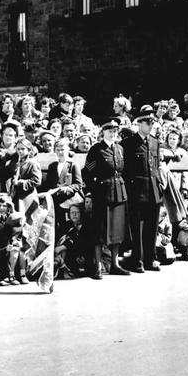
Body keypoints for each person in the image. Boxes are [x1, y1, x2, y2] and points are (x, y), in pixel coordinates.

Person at [83, 118, 131, 278]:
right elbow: (87, 172)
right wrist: (93, 190)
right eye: (110, 131)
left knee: (117, 231)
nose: (113, 133)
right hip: (102, 194)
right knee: (99, 231)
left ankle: (115, 265)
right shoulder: (96, 149)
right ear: (103, 132)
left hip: (119, 192)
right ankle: (97, 266)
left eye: (115, 131)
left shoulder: (120, 148)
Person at [121, 107, 164, 272]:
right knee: (137, 227)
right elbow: (125, 170)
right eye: (148, 122)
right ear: (139, 123)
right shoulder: (128, 143)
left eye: (152, 122)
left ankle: (150, 259)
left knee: (152, 226)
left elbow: (156, 166)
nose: (151, 125)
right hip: (136, 190)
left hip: (153, 189)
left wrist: (160, 184)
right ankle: (137, 260)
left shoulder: (155, 142)